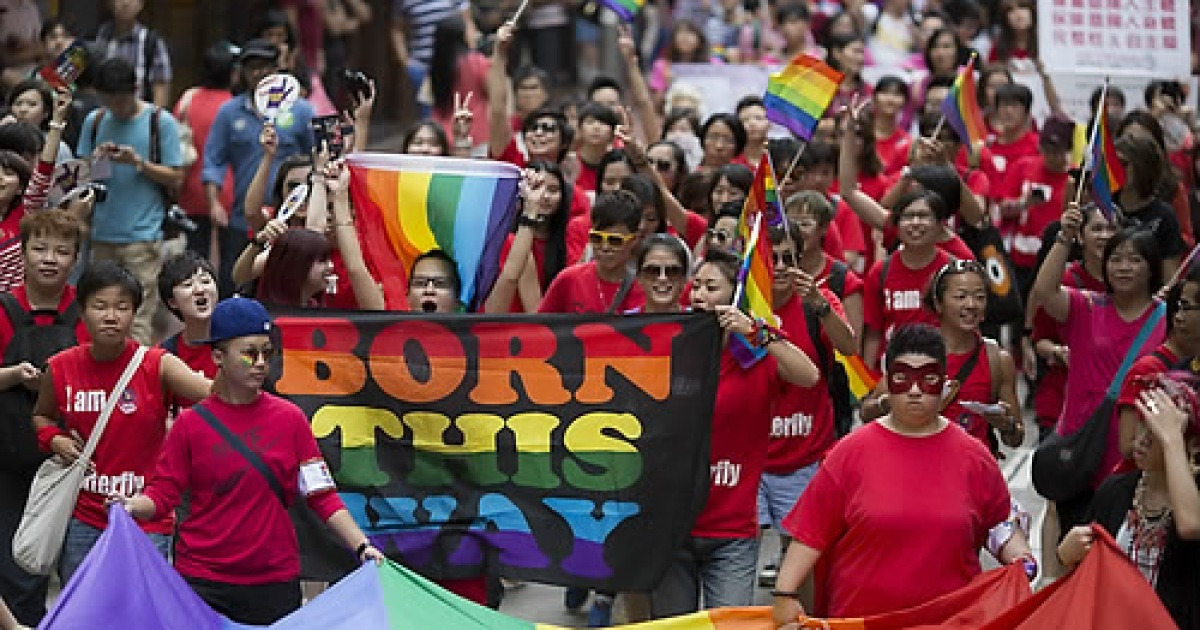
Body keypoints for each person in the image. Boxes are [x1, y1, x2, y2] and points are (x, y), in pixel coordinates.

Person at [114, 297, 384, 625]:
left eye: (267, 353)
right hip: (202, 581)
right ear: (218, 357)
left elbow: (322, 495)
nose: (260, 363)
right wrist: (131, 507)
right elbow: (163, 494)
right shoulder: (190, 425)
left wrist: (361, 547)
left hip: (273, 582)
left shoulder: (291, 419)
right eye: (249, 353)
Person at [771, 324, 1019, 623]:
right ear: (888, 380)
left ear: (946, 384)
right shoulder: (848, 455)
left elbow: (1002, 524)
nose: (915, 391)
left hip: (949, 621)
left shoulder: (976, 458)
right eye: (903, 378)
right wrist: (785, 594)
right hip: (861, 620)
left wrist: (1024, 562)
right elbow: (811, 534)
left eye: (927, 379)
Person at [652, 250, 819, 617]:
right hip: (671, 526)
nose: (699, 295)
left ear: (736, 299)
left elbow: (809, 376)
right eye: (695, 286)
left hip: (732, 531)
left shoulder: (756, 356)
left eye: (712, 287)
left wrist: (756, 331)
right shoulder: (668, 347)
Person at [30, 261, 211, 583]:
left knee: (139, 612)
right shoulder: (59, 368)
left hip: (145, 517)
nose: (111, 316)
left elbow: (216, 396)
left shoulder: (157, 365)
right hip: (83, 517)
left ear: (135, 314)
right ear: (82, 312)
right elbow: (41, 416)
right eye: (100, 306)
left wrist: (240, 351)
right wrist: (53, 439)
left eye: (122, 307)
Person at [1031, 203, 1166, 531]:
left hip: (1138, 460)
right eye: (1116, 259)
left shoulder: (1168, 319)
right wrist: (1064, 236)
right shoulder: (1086, 306)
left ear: (1151, 268)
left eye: (1135, 260)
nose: (1123, 267)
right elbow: (1045, 292)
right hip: (1081, 453)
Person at [758, 218, 856, 594]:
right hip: (750, 458)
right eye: (772, 257)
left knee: (801, 559)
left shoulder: (820, 300)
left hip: (804, 458)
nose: (780, 266)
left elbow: (848, 347)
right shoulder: (740, 304)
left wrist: (819, 305)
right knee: (738, 554)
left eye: (788, 258)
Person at [1057, 373, 1200, 629]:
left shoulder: (1192, 503)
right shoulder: (1116, 491)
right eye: (1142, 422)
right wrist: (1066, 556)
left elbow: (1191, 525)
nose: (1142, 438)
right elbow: (1084, 582)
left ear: (1192, 446)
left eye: (1158, 431)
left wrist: (1172, 441)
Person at [0, 210, 87, 627]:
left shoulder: (88, 309)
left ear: (74, 259)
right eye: (39, 248)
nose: (49, 258)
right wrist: (15, 376)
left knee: (79, 568)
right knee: (17, 570)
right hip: (9, 461)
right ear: (23, 253)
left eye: (62, 251)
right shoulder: (3, 308)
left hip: (74, 462)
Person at [865, 260, 1024, 455]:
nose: (971, 305)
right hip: (919, 465)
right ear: (938, 303)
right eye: (961, 296)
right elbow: (867, 412)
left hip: (973, 473)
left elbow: (1016, 439)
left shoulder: (997, 359)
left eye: (980, 297)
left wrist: (1005, 424)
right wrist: (890, 403)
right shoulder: (916, 352)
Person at [76, 57, 184, 344]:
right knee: (100, 313)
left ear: (135, 90)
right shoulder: (96, 121)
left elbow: (175, 176)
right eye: (108, 101)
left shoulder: (160, 122)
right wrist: (96, 160)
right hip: (102, 233)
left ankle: (136, 378)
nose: (115, 108)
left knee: (137, 317)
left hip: (143, 236)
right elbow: (80, 176)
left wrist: (139, 163)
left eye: (120, 101)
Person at [203, 40, 315, 296]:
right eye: (253, 67)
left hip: (292, 221)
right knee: (236, 284)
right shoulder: (228, 113)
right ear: (242, 72)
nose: (259, 73)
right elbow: (213, 160)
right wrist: (213, 202)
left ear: (279, 69)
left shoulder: (302, 111)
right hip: (243, 219)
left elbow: (318, 157)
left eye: (266, 66)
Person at [173, 42, 237, 261]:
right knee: (229, 258)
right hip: (228, 190)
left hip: (191, 188)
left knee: (195, 255)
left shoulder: (188, 99)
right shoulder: (234, 106)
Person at [538, 190, 646, 314]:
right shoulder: (568, 280)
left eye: (615, 241)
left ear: (633, 240)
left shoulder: (645, 288)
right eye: (597, 238)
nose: (605, 247)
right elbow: (540, 328)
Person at [157, 251, 220, 398]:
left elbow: (250, 365)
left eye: (205, 281)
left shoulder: (238, 343)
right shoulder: (165, 355)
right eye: (188, 285)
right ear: (172, 302)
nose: (200, 290)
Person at [90, 0, 173, 107]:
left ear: (141, 4)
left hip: (138, 117)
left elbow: (161, 87)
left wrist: (153, 120)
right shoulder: (96, 38)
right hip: (101, 116)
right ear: (110, 3)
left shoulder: (151, 42)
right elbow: (71, 75)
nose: (125, 3)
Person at [430, 14, 489, 152]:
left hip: (442, 134)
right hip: (475, 132)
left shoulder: (435, 67)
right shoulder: (477, 62)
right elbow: (495, 94)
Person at [3, 79, 71, 164]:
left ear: (46, 112)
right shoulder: (3, 139)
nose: (23, 109)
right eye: (18, 103)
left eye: (32, 104)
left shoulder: (60, 148)